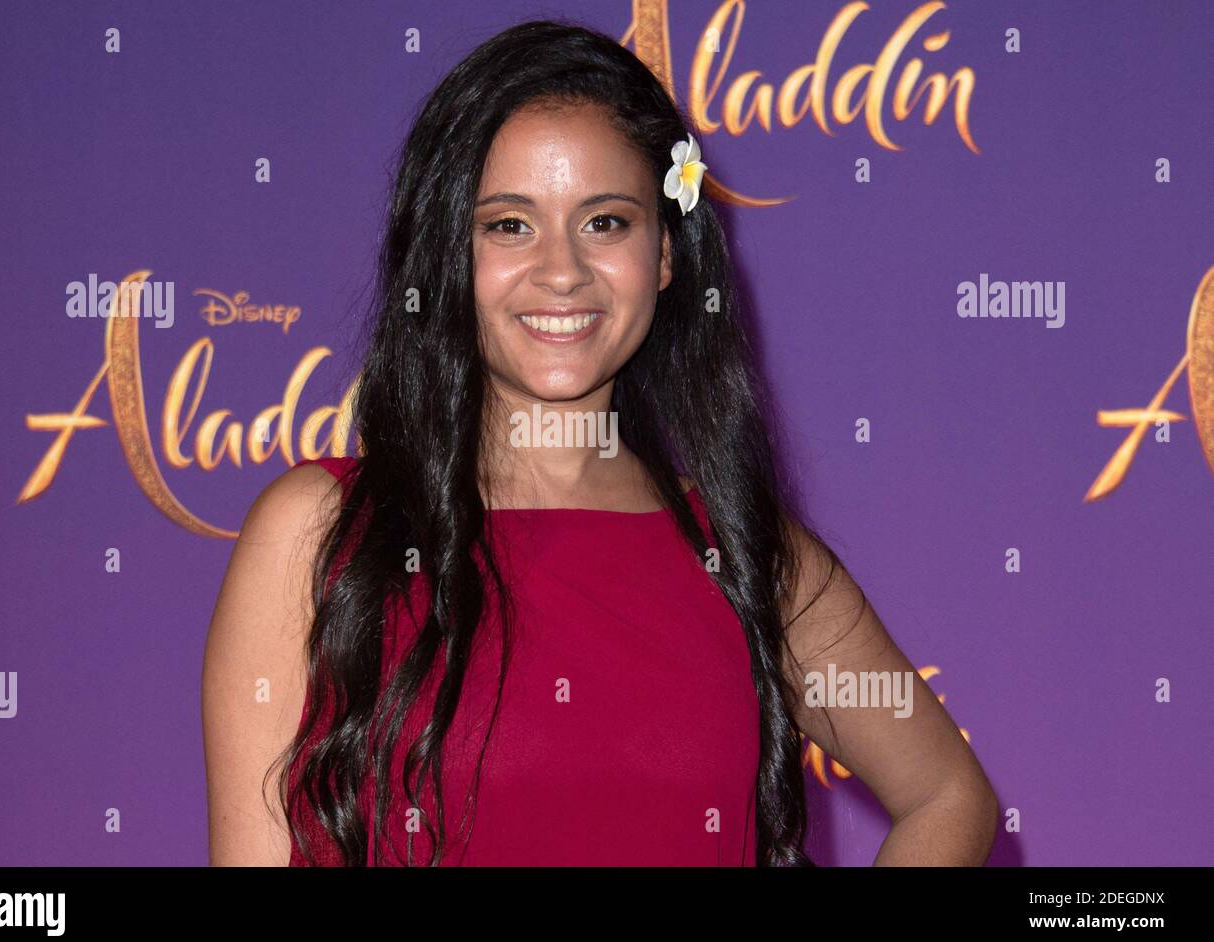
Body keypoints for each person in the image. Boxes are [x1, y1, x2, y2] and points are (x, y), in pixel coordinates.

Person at [202, 19, 998, 866]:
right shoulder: (317, 534)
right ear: (447, 256)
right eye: (509, 225)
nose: (561, 271)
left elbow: (947, 796)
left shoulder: (746, 557)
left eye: (607, 222)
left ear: (664, 253)